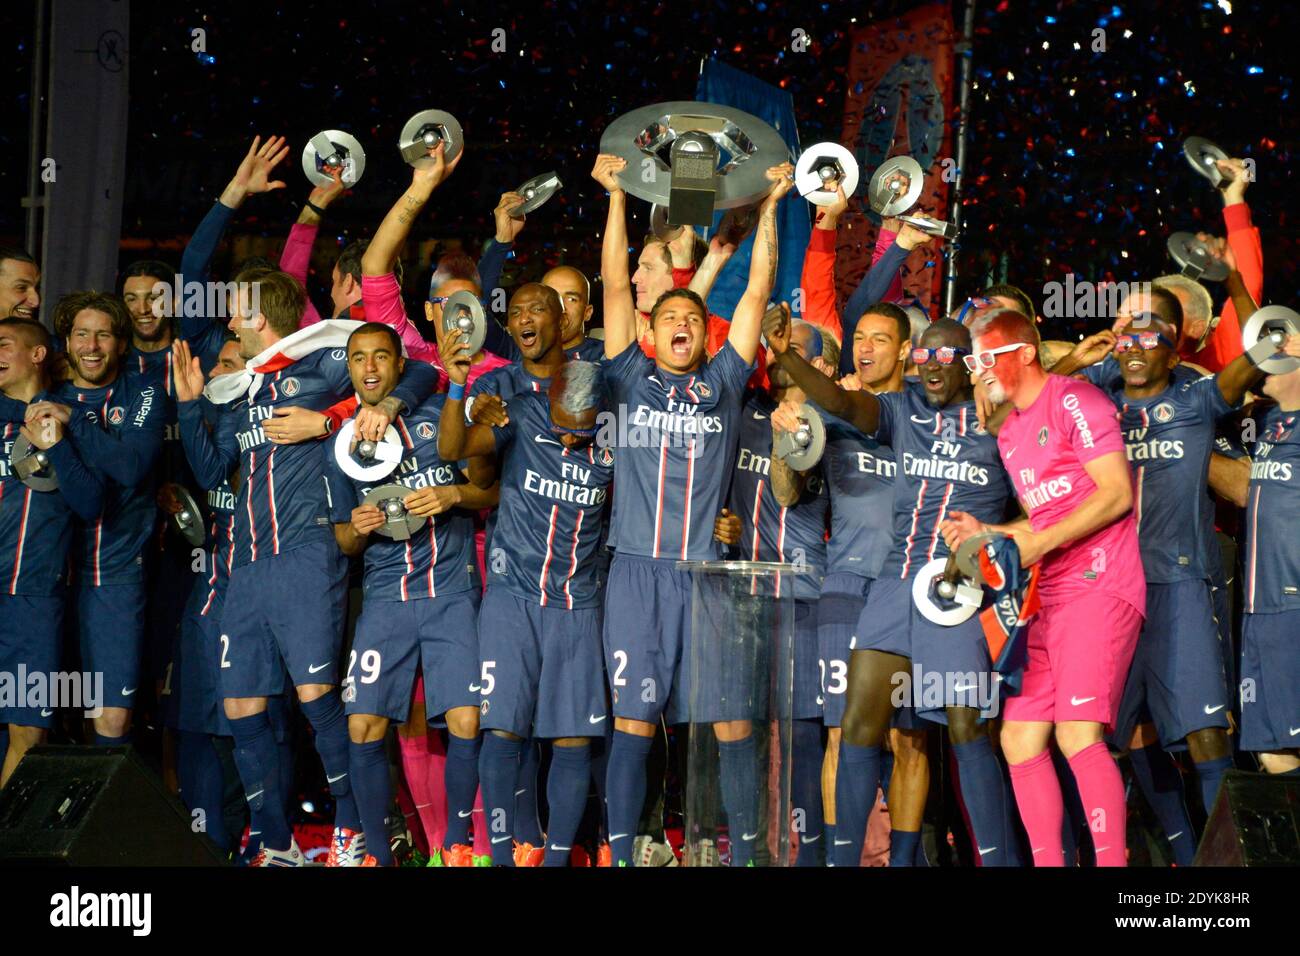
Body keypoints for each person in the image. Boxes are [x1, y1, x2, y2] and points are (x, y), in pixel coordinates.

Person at [175, 269, 438, 866]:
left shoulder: (319, 368)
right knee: (242, 706)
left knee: (317, 696)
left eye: (237, 311)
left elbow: (421, 370)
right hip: (242, 562)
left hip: (307, 553)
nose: (229, 322)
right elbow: (213, 472)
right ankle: (276, 844)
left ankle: (355, 829)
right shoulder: (240, 391)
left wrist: (328, 422)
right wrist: (191, 408)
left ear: (261, 314)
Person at [592, 151, 790, 866]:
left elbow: (757, 289)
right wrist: (615, 196)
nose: (681, 323)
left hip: (710, 580)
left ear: (706, 337)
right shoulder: (629, 376)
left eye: (692, 318)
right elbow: (616, 284)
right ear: (654, 329)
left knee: (732, 725)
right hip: (638, 577)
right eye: (669, 315)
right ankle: (620, 852)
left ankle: (742, 856)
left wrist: (770, 210)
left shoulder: (725, 384)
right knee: (635, 722)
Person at [765, 312, 1020, 867]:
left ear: (968, 365)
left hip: (961, 592)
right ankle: (841, 861)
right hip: (894, 585)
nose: (931, 365)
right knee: (857, 724)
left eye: (945, 356)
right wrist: (786, 358)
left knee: (965, 731)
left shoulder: (1000, 421)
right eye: (925, 355)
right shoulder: (898, 410)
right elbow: (838, 402)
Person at [1049, 284, 1280, 859]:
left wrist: (1246, 287)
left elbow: (1259, 354)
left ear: (1175, 350)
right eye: (1127, 330)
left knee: (1205, 735)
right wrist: (1079, 360)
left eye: (1150, 333)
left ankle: (1225, 865)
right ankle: (1132, 852)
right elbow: (1029, 390)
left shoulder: (1199, 398)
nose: (1132, 342)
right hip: (1104, 591)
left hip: (1180, 585)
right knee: (1096, 738)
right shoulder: (1092, 395)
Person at [943, 308, 1144, 866]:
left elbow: (1115, 494)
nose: (977, 370)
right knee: (1018, 739)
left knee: (1078, 735)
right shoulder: (1009, 431)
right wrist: (993, 532)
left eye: (986, 358)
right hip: (1049, 595)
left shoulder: (1076, 399)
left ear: (1024, 353)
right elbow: (1043, 519)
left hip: (1099, 582)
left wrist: (1033, 543)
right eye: (973, 361)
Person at [323, 322, 496, 866]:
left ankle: (459, 846)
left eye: (380, 356)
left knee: (468, 720)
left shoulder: (437, 420)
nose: (369, 367)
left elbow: (487, 489)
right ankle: (377, 854)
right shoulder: (342, 444)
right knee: (363, 725)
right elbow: (343, 541)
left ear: (399, 364)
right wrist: (359, 525)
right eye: (358, 359)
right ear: (349, 370)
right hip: (384, 599)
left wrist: (451, 494)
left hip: (451, 593)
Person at [439, 350, 614, 866]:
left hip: (577, 605)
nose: (567, 441)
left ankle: (557, 858)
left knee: (573, 740)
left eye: (580, 434)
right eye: (561, 427)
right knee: (502, 730)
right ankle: (500, 854)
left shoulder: (619, 437)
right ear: (549, 404)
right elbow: (453, 448)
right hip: (512, 599)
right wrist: (457, 390)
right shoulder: (521, 410)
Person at [26, 293, 168, 747]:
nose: (92, 345)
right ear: (65, 342)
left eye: (104, 334)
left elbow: (129, 466)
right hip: (46, 578)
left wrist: (77, 422)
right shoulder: (47, 397)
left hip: (116, 575)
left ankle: (110, 819)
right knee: (38, 718)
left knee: (111, 720)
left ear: (122, 344)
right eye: (81, 334)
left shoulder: (144, 392)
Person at [725, 317, 830, 865]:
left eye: (796, 351)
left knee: (803, 737)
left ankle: (809, 853)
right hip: (741, 593)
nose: (781, 355)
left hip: (806, 598)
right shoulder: (745, 412)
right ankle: (747, 850)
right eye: (777, 349)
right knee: (740, 727)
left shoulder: (833, 424)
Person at [0, 318, 103, 784]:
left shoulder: (74, 417)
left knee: (28, 729)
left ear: (37, 354)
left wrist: (59, 444)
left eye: (3, 345)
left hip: (34, 600)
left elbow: (90, 504)